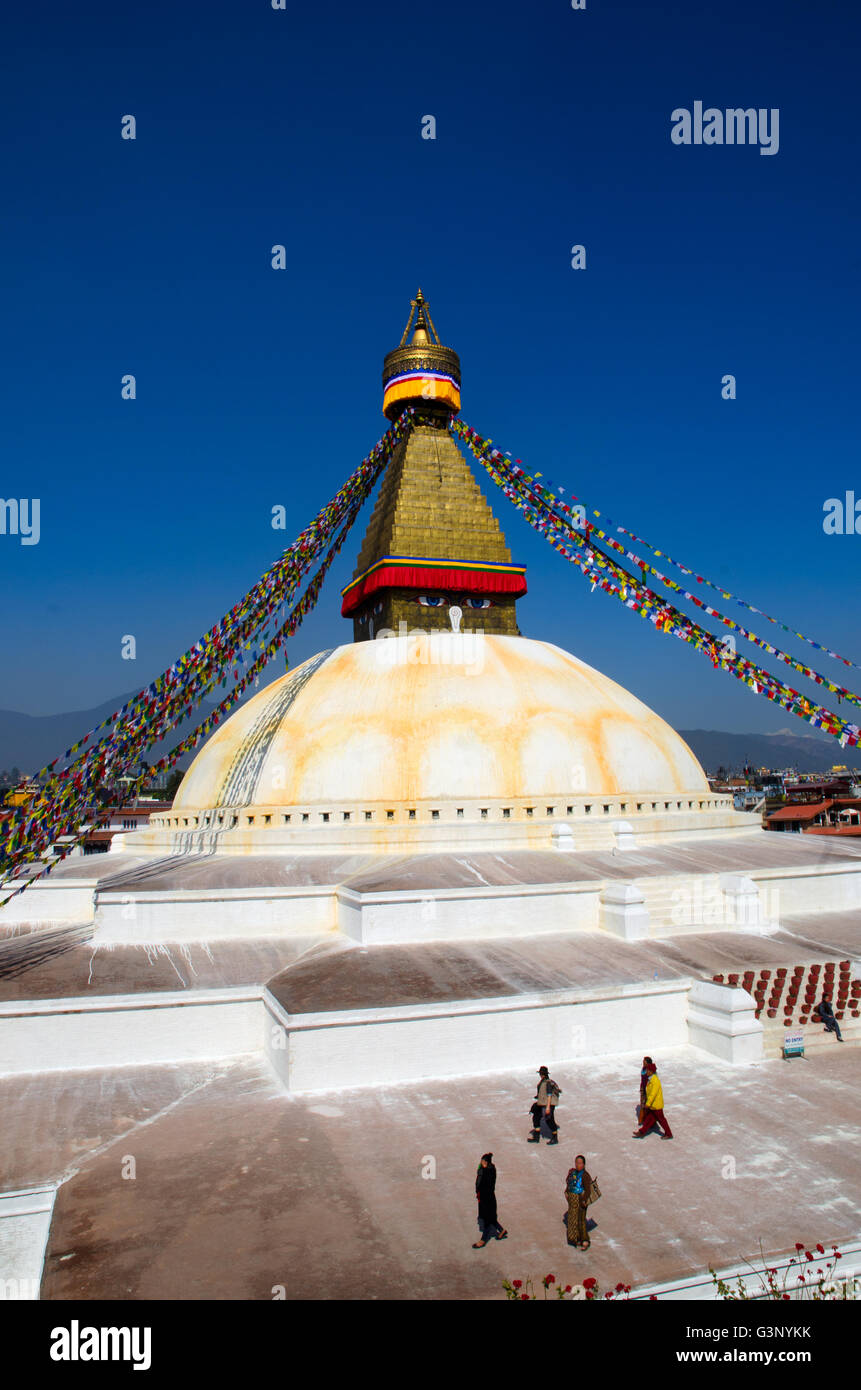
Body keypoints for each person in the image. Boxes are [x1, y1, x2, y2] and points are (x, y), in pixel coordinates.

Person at [473, 1153, 508, 1247]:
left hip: (487, 1198)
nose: (481, 1163)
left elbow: (486, 1183)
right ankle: (501, 1230)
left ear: (487, 1162)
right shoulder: (484, 1169)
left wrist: (483, 1170)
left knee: (487, 1219)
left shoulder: (489, 1171)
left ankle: (483, 1240)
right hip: (484, 1197)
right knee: (491, 1217)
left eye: (484, 1161)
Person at [632, 1062, 673, 1139]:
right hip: (653, 1105)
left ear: (651, 1071)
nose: (646, 1072)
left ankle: (669, 1134)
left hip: (656, 1105)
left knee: (661, 1120)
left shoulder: (655, 1081)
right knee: (649, 1119)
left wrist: (648, 1103)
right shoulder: (651, 1079)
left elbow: (653, 1094)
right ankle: (641, 1132)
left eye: (647, 1070)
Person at [564, 1154, 592, 1249]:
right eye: (576, 1162)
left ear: (584, 1164)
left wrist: (584, 1200)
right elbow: (569, 1184)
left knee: (581, 1221)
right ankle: (575, 1239)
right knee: (573, 1219)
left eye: (579, 1163)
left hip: (581, 1201)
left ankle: (584, 1240)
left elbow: (588, 1190)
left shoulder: (585, 1175)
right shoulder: (573, 1173)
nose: (577, 1165)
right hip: (573, 1200)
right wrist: (567, 1192)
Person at [528, 1066, 561, 1144]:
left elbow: (549, 1095)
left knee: (549, 1120)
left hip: (547, 1104)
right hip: (542, 1103)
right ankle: (536, 1137)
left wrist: (548, 1107)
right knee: (536, 1117)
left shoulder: (547, 1083)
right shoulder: (543, 1082)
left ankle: (555, 1138)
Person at [638, 1055, 654, 1127]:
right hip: (643, 1088)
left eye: (644, 1062)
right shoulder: (644, 1069)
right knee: (642, 1104)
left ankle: (649, 1121)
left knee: (648, 1105)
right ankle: (641, 1119)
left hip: (648, 1090)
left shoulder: (651, 1071)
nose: (643, 1063)